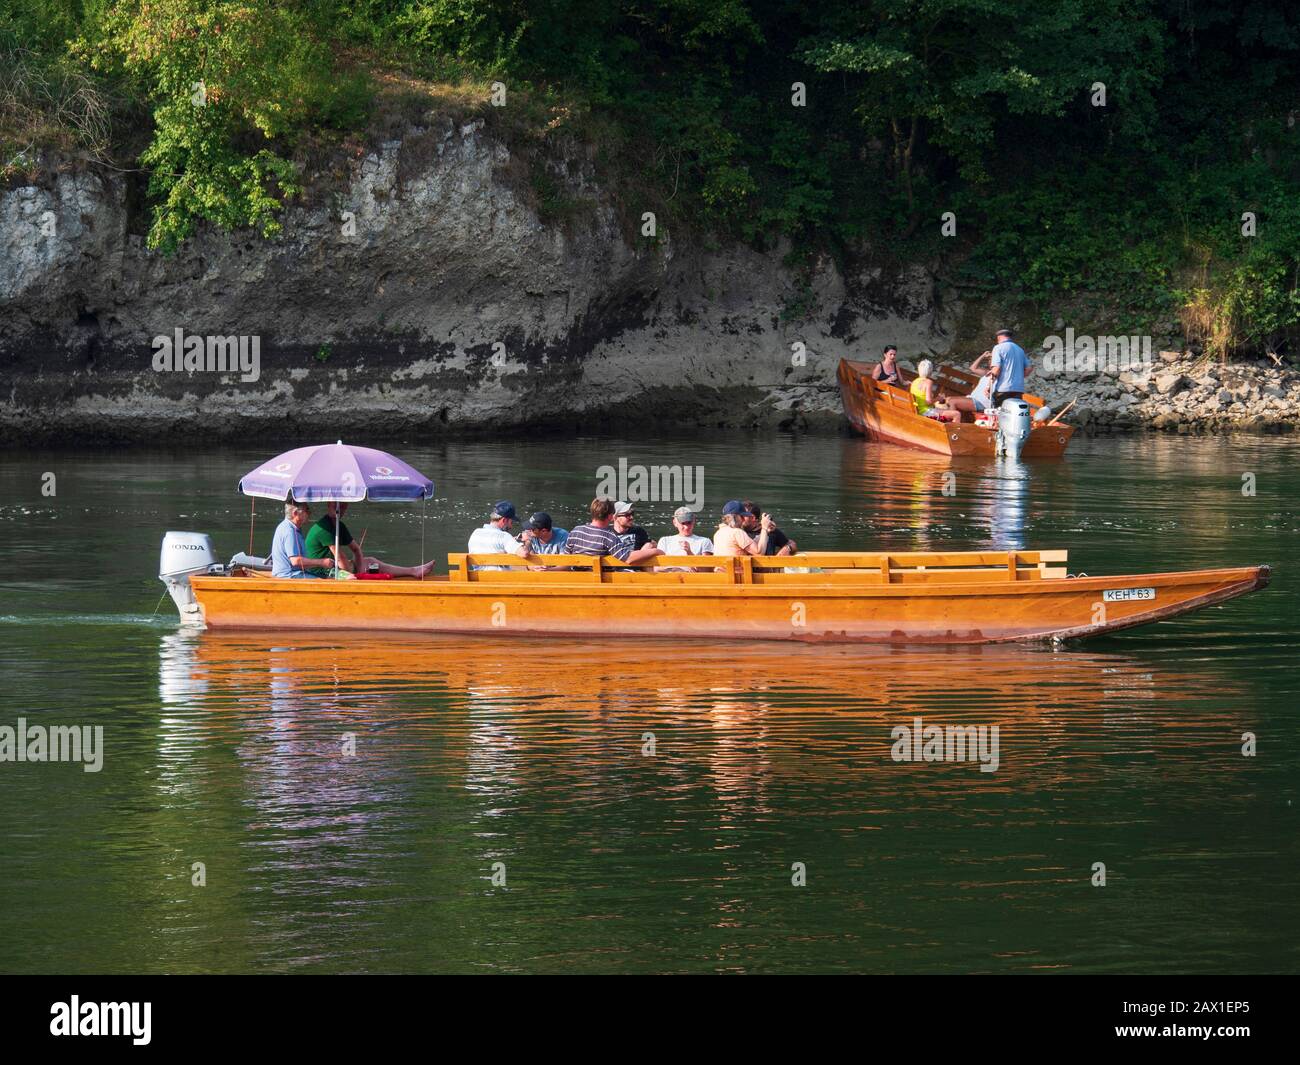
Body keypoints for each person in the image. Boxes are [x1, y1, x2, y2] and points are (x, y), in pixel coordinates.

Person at [306, 501, 436, 578]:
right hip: (321, 571)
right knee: (355, 574)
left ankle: (413, 571)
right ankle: (413, 571)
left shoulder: (340, 525)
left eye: (343, 506)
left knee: (371, 562)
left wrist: (361, 567)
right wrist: (357, 574)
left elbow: (356, 549)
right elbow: (340, 559)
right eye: (336, 505)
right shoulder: (324, 527)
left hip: (335, 567)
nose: (340, 509)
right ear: (328, 504)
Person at [567, 498, 663, 564]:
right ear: (611, 517)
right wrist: (655, 551)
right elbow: (628, 558)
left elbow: (566, 556)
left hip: (577, 580)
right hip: (601, 582)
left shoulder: (576, 531)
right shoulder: (608, 536)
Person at [270, 501, 335, 578]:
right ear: (295, 513)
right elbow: (295, 561)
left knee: (328, 578)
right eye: (306, 510)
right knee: (325, 585)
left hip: (294, 573)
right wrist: (322, 562)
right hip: (289, 575)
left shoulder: (287, 526)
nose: (309, 513)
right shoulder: (289, 531)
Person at [467, 501, 532, 570]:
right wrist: (527, 541)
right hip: (499, 579)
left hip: (477, 579)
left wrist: (512, 541)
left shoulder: (475, 533)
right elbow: (524, 553)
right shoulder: (504, 536)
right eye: (511, 522)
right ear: (504, 520)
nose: (511, 526)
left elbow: (492, 546)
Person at [938, 352, 996, 423]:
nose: (990, 362)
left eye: (992, 360)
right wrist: (983, 355)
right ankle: (952, 422)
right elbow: (973, 368)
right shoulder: (986, 372)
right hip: (973, 399)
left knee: (952, 402)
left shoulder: (997, 375)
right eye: (989, 360)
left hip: (981, 403)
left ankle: (952, 427)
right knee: (948, 399)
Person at [987, 327, 1031, 406]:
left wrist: (989, 386)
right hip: (1018, 389)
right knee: (1013, 415)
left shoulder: (998, 348)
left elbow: (996, 369)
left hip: (1003, 389)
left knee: (1000, 414)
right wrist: (1019, 376)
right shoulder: (1020, 349)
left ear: (999, 337)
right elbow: (1029, 369)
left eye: (997, 339)